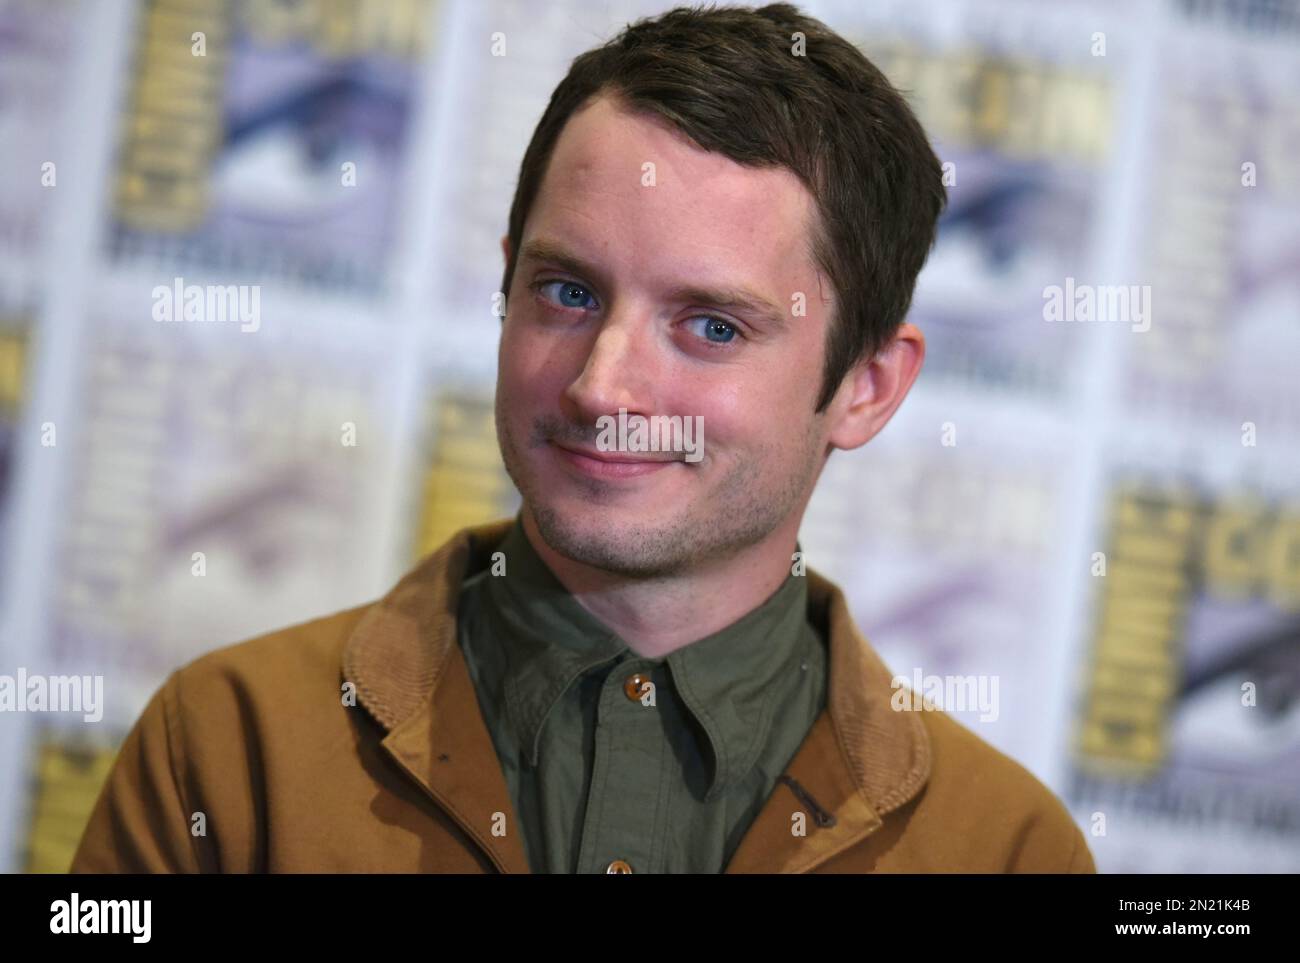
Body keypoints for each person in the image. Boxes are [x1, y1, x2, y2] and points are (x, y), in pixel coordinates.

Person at [71, 2, 1095, 874]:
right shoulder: (226, 750)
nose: (603, 384)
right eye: (566, 292)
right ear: (506, 281)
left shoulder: (1005, 851)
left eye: (711, 326)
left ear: (866, 387)